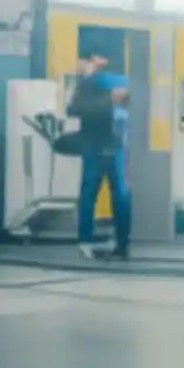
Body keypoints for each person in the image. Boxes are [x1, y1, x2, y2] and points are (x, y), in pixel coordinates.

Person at [67, 46, 131, 260]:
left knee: (88, 194)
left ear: (93, 59)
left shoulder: (89, 82)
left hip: (94, 144)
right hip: (118, 146)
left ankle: (85, 241)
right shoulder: (124, 81)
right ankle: (122, 243)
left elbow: (73, 109)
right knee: (120, 195)